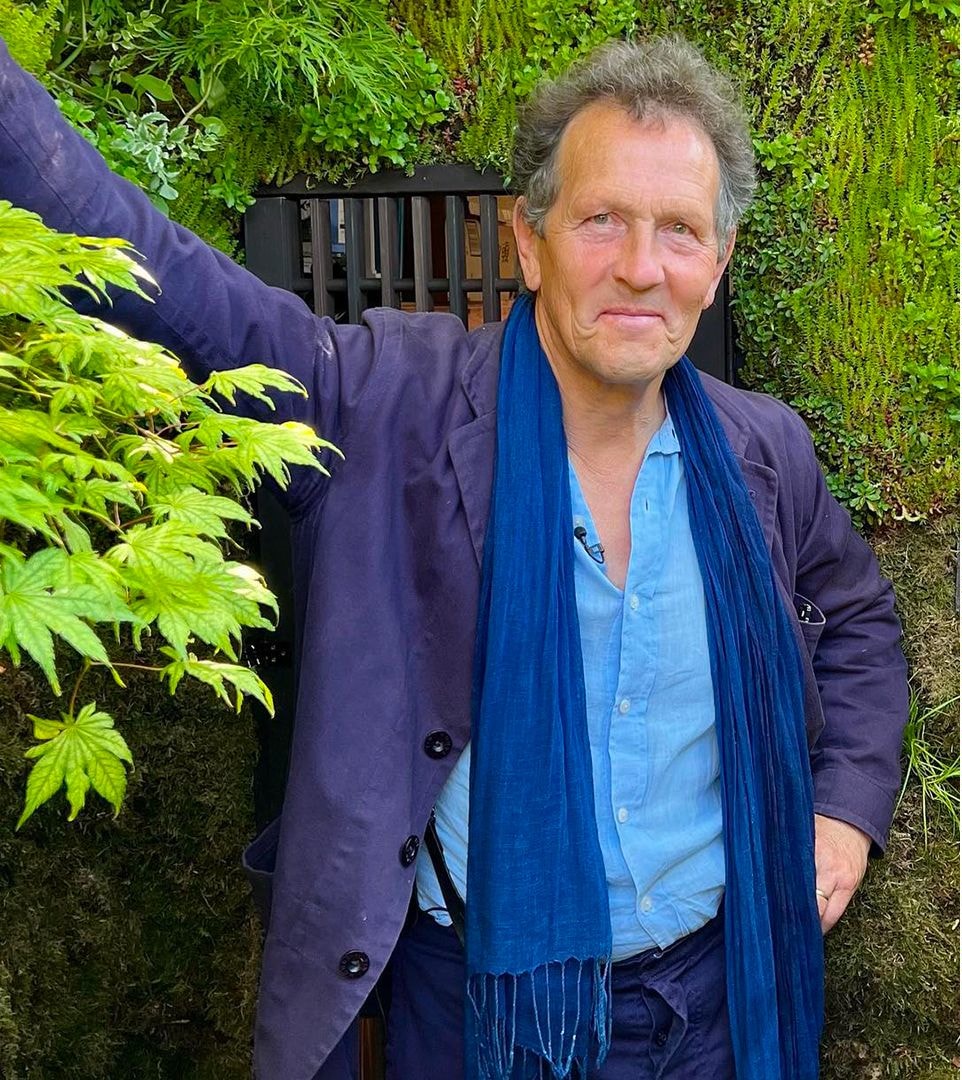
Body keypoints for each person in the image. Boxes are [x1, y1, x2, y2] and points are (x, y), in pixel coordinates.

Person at [0, 32, 909, 1080]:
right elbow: (170, 287)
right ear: (530, 242)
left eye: (679, 231)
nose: (640, 267)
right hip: (474, 1011)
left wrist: (842, 812)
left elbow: (859, 623)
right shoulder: (386, 402)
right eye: (601, 219)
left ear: (718, 264)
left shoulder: (765, 453)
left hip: (720, 998)